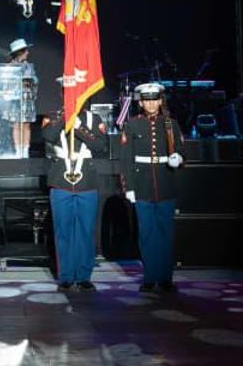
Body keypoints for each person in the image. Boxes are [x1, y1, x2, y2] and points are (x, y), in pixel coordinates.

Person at [119, 82, 186, 292]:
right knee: (147, 233)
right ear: (141, 103)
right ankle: (150, 277)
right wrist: (128, 186)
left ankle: (165, 278)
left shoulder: (170, 124)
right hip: (142, 185)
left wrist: (179, 158)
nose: (151, 104)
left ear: (160, 101)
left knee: (165, 233)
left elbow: (182, 150)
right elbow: (125, 159)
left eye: (154, 100)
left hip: (165, 184)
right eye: (147, 100)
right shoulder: (132, 124)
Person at [43, 103, 108, 291]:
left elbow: (100, 145)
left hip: (86, 180)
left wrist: (77, 127)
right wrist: (65, 118)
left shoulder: (93, 119)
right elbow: (48, 136)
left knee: (86, 230)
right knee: (63, 230)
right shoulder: (53, 116)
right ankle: (66, 276)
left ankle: (83, 276)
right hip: (60, 179)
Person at [8, 38, 35, 156]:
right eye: (25, 51)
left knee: (26, 124)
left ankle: (26, 150)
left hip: (27, 98)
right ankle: (18, 150)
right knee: (16, 124)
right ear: (19, 52)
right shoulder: (10, 66)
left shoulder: (29, 66)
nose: (27, 53)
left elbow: (35, 79)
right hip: (15, 98)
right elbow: (6, 82)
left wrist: (31, 80)